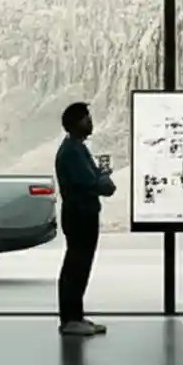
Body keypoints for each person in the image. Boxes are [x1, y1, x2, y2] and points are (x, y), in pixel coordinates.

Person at [54, 102, 116, 337]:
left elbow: (96, 176)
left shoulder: (77, 148)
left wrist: (101, 179)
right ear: (75, 123)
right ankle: (70, 319)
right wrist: (104, 183)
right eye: (86, 118)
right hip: (79, 214)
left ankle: (76, 316)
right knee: (76, 266)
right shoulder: (72, 151)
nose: (91, 122)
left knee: (79, 265)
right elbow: (92, 181)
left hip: (83, 213)